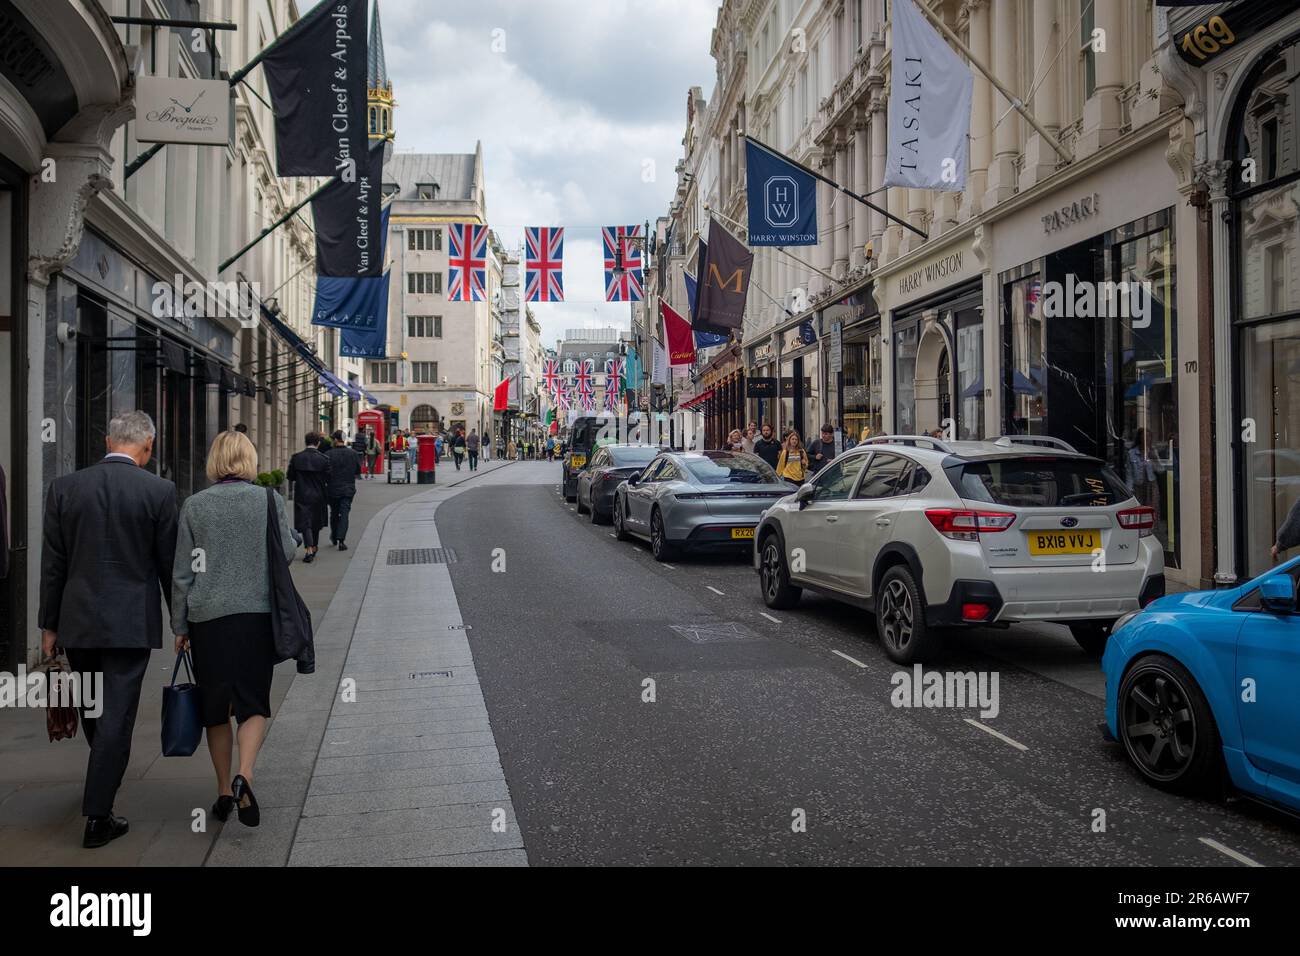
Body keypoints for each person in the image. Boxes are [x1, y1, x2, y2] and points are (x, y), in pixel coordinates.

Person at [38, 410, 178, 848]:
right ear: (148, 446)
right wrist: (182, 621)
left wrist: (48, 625)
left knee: (95, 709)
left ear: (106, 441)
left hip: (78, 621)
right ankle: (98, 815)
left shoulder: (64, 488)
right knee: (116, 713)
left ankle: (103, 774)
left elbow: (54, 565)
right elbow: (168, 565)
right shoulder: (159, 491)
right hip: (131, 622)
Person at [171, 430, 299, 829]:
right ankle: (247, 774)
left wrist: (179, 625)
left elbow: (182, 574)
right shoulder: (267, 500)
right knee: (253, 703)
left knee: (215, 710)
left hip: (207, 620)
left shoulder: (194, 506)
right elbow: (289, 552)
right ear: (249, 460)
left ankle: (224, 792)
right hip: (256, 617)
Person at [287, 432, 330, 563]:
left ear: (306, 442)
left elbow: (290, 476)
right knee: (315, 521)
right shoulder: (324, 459)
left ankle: (310, 548)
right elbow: (329, 477)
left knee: (306, 523)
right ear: (318, 443)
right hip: (318, 494)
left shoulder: (296, 458)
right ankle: (313, 546)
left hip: (302, 494)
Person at [324, 429, 361, 551]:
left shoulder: (328, 454)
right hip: (348, 488)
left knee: (334, 513)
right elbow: (357, 471)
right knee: (344, 513)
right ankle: (341, 540)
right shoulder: (353, 453)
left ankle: (334, 536)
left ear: (335, 440)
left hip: (333, 488)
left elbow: (326, 472)